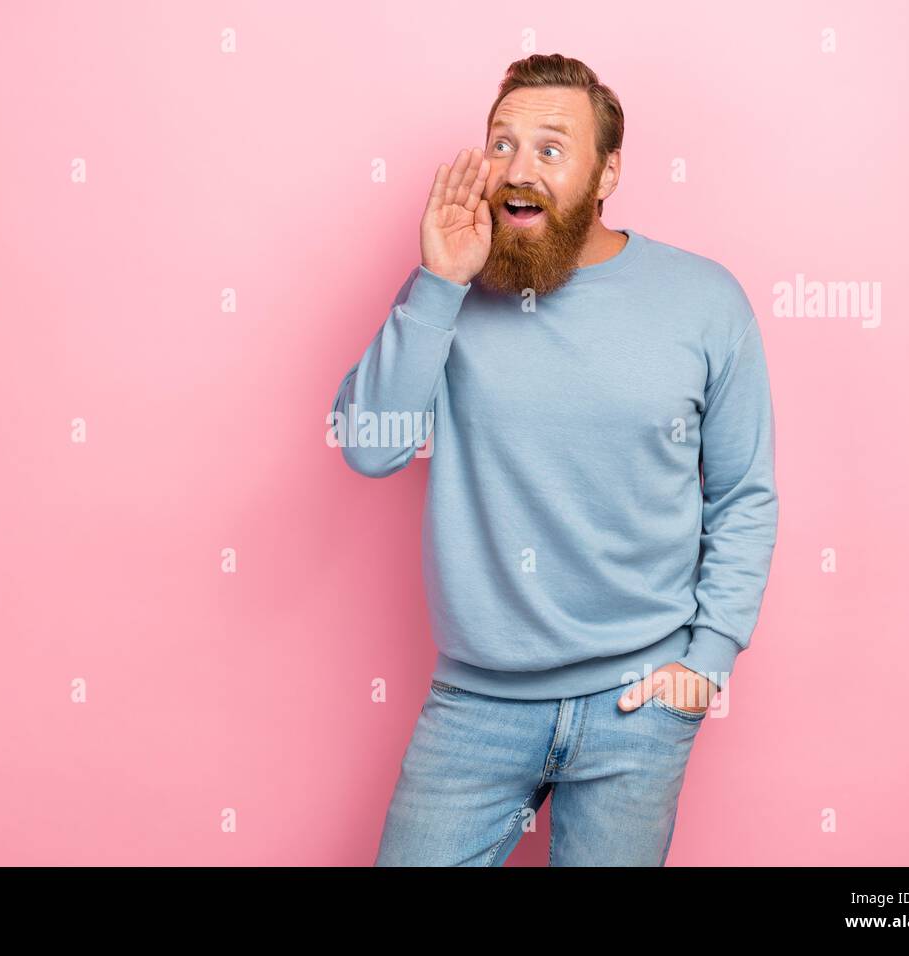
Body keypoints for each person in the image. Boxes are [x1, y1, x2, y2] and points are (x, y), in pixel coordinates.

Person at [328, 53, 778, 866]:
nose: (515, 167)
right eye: (500, 144)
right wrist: (436, 282)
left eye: (548, 147)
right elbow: (368, 449)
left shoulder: (706, 300)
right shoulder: (449, 290)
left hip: (640, 705)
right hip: (476, 704)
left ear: (607, 173)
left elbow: (744, 494)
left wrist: (707, 662)